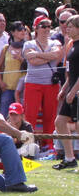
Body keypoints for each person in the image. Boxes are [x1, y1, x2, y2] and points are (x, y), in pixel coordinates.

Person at [22, 17, 63, 154]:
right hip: (33, 83)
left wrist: (38, 54)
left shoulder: (55, 42)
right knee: (30, 116)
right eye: (43, 26)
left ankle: (49, 145)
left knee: (50, 116)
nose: (46, 29)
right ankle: (28, 147)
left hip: (51, 84)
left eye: (48, 26)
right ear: (36, 28)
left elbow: (57, 55)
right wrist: (48, 56)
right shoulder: (28, 43)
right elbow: (32, 61)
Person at [52, 15, 79, 169]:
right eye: (67, 26)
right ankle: (69, 158)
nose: (67, 29)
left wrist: (73, 91)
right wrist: (65, 88)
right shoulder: (71, 44)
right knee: (60, 122)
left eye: (71, 26)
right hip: (71, 89)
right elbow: (71, 72)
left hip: (77, 91)